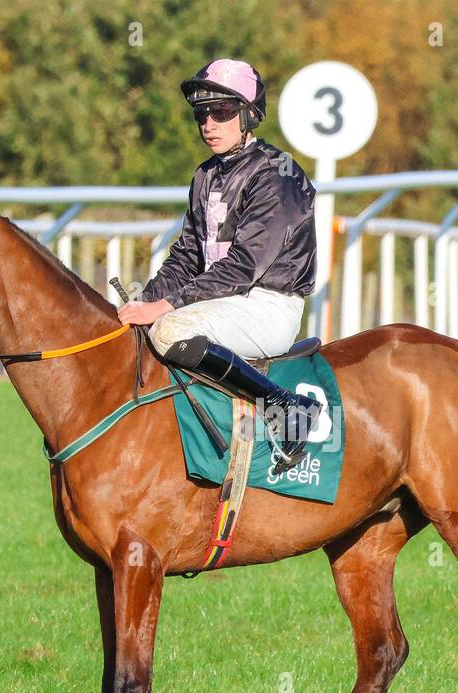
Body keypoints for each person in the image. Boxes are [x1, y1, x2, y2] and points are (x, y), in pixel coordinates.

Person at [117, 58, 321, 474]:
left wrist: (165, 307)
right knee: (138, 330)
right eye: (201, 114)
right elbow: (187, 256)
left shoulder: (277, 175)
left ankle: (286, 407)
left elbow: (243, 266)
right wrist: (142, 302)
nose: (209, 123)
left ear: (248, 116)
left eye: (223, 112)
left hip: (268, 305)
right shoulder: (205, 175)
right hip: (223, 303)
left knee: (170, 328)